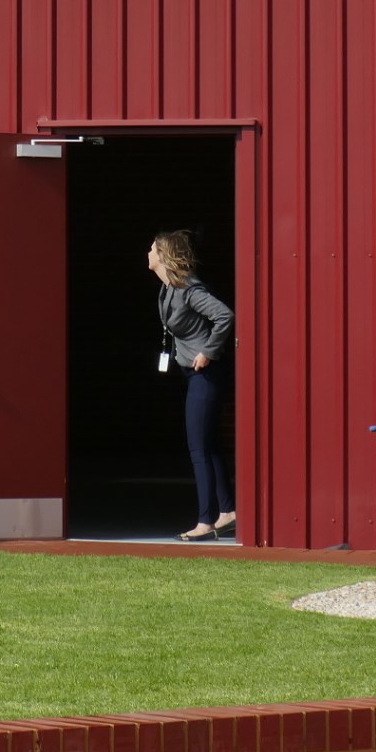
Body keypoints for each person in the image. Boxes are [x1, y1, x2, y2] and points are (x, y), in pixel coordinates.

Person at [150, 228, 236, 542]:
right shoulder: (169, 288)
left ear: (163, 256)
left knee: (198, 446)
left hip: (206, 374)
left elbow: (225, 315)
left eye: (152, 249)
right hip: (194, 373)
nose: (147, 254)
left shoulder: (189, 289)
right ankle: (227, 511)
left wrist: (208, 352)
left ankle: (205, 520)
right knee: (209, 444)